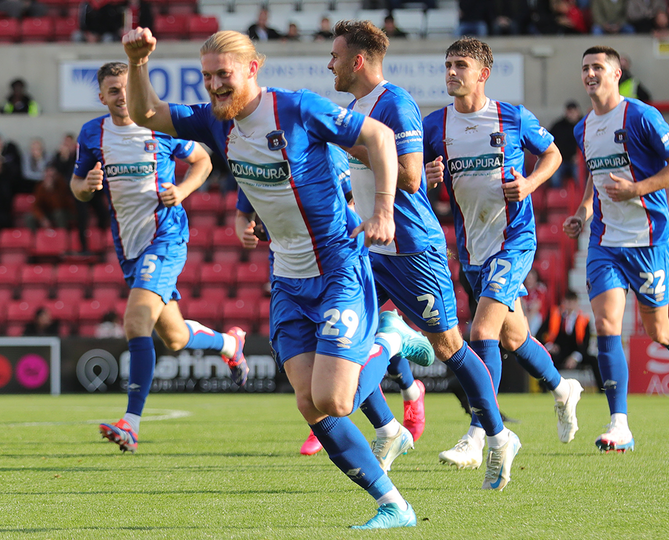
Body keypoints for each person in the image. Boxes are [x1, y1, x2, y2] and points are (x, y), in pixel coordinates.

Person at [122, 28, 433, 528]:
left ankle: (392, 340)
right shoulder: (212, 122)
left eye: (223, 74)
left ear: (252, 69)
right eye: (206, 77)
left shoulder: (297, 108)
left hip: (337, 266)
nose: (214, 86)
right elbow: (145, 114)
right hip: (287, 277)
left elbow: (378, 137)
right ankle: (393, 504)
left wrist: (383, 211)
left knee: (337, 398)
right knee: (312, 406)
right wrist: (137, 63)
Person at [314, 22, 523, 487]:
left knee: (449, 346)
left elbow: (409, 176)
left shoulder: (395, 104)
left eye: (335, 55)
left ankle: (497, 435)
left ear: (358, 61)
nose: (329, 63)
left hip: (411, 249)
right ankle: (389, 428)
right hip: (371, 249)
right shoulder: (354, 109)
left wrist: (354, 143)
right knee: (345, 342)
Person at [71, 62, 251, 458]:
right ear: (102, 97)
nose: (121, 96)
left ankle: (130, 425)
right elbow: (77, 186)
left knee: (135, 320)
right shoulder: (93, 134)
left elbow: (203, 160)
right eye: (113, 91)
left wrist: (182, 191)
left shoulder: (159, 126)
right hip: (129, 248)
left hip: (165, 237)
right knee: (173, 337)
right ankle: (229, 344)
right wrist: (87, 186)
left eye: (126, 88)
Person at [423, 38, 583, 476]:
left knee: (482, 330)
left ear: (483, 74)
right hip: (473, 250)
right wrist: (426, 174)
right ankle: (562, 386)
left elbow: (553, 153)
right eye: (448, 64)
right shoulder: (434, 125)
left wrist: (530, 184)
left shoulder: (511, 116)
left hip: (514, 240)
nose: (452, 72)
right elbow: (411, 175)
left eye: (461, 65)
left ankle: (480, 435)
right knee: (513, 338)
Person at [564, 45, 669, 453]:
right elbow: (592, 178)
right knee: (607, 325)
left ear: (616, 74)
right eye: (585, 68)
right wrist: (582, 210)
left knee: (658, 330)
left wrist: (636, 188)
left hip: (649, 240)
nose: (590, 73)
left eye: (598, 67)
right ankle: (620, 425)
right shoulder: (583, 129)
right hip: (604, 242)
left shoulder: (642, 116)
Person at [26, 165, 75, 231]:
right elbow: (36, 206)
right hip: (48, 212)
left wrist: (51, 191)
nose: (49, 177)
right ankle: (33, 239)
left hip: (65, 212)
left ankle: (62, 235)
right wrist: (42, 219)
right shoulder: (40, 186)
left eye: (51, 175)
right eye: (47, 174)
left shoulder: (62, 184)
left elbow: (59, 206)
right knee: (29, 217)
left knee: (59, 214)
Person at [549, 101, 583, 188]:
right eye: (569, 112)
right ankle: (558, 197)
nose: (571, 114)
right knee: (554, 174)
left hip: (579, 161)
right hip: (561, 160)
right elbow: (549, 143)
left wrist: (580, 157)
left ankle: (581, 196)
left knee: (580, 174)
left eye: (573, 112)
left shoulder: (584, 124)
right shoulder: (558, 126)